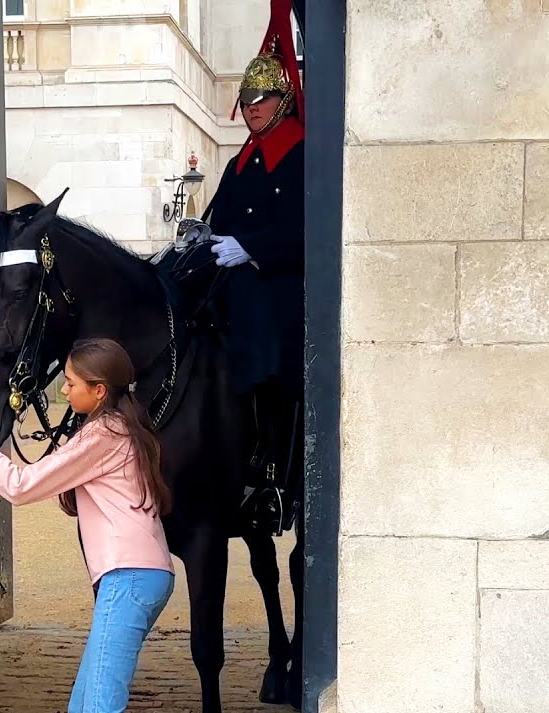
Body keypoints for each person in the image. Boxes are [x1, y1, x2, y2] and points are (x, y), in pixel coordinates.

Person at [0, 338, 176, 713]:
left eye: (72, 383)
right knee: (82, 709)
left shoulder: (104, 435)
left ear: (99, 390)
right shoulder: (119, 426)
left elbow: (19, 487)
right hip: (139, 575)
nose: (65, 390)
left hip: (129, 578)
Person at [201, 0, 306, 535]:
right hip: (233, 287)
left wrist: (250, 247)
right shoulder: (242, 157)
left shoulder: (300, 151)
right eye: (245, 99)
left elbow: (304, 229)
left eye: (260, 97)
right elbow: (217, 212)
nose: (251, 107)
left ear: (283, 97)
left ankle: (275, 475)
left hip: (276, 289)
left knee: (265, 351)